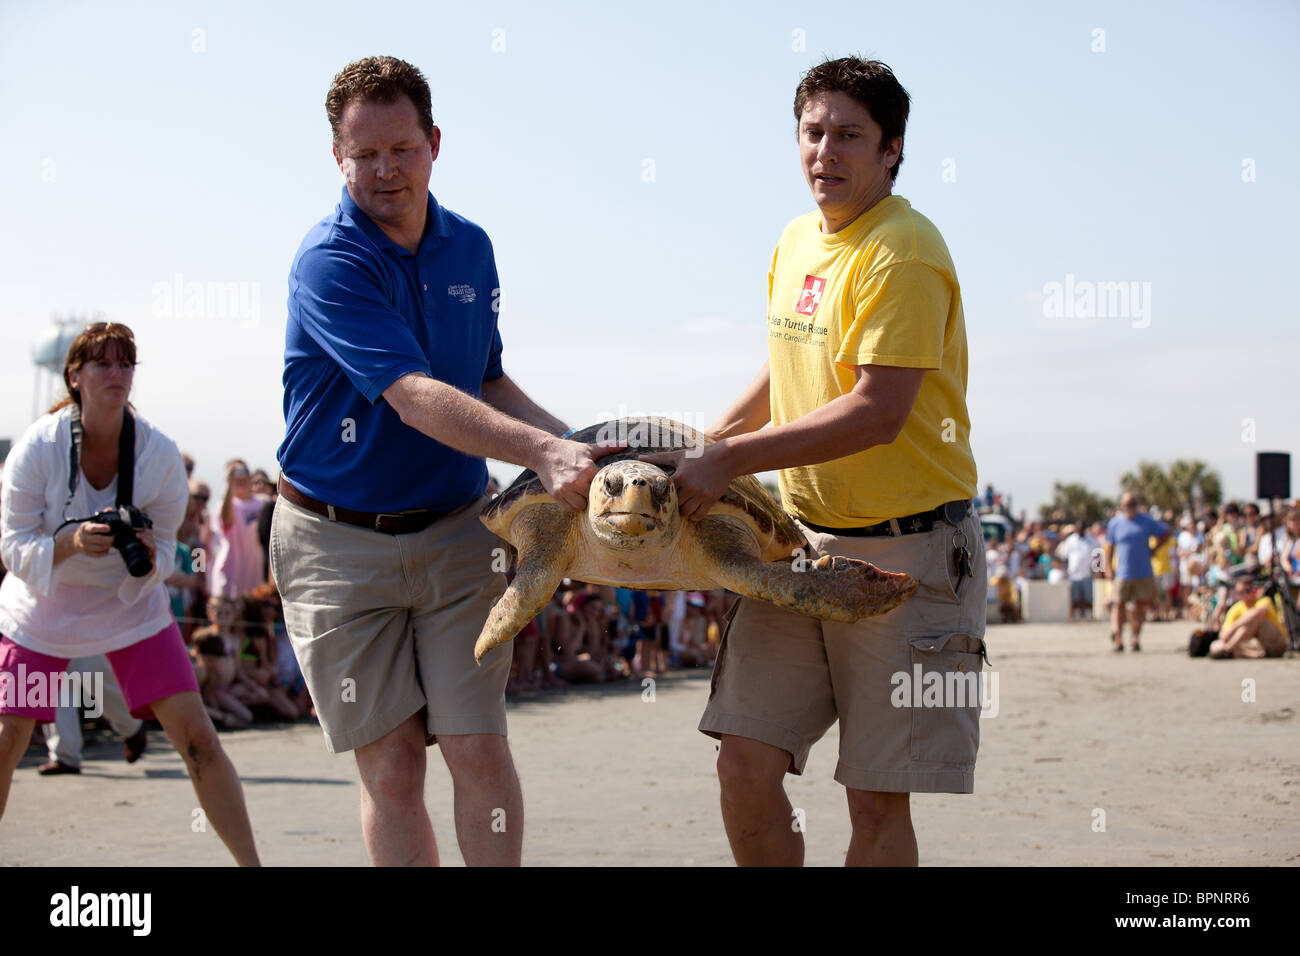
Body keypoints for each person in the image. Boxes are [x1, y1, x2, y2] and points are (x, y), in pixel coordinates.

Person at [645, 57, 985, 866]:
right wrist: (700, 449)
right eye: (812, 132)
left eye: (849, 137)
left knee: (874, 797)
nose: (824, 152)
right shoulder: (797, 239)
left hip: (911, 553)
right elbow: (785, 369)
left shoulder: (904, 249)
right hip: (797, 550)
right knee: (744, 762)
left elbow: (877, 410)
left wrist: (728, 462)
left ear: (892, 149)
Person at [271, 56, 609, 867]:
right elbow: (415, 393)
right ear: (337, 159)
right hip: (334, 543)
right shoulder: (329, 261)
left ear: (434, 143)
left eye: (402, 148)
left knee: (478, 749)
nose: (385, 170)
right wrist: (540, 451)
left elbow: (484, 375)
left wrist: (581, 446)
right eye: (364, 155)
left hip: (461, 532)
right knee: (391, 767)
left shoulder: (473, 248)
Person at [0, 322, 259, 865]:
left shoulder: (157, 454)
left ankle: (250, 865)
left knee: (198, 740)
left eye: (126, 363)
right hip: (41, 608)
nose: (116, 373)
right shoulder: (38, 448)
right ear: (75, 376)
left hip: (130, 608)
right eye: (103, 363)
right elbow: (13, 548)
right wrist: (68, 542)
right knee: (5, 740)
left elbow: (166, 552)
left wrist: (143, 553)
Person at [1103, 493, 1170, 652]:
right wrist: (1106, 568)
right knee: (1118, 605)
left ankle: (1135, 637)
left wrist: (1154, 549)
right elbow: (1108, 547)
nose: (1130, 507)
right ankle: (1118, 639)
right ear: (1122, 506)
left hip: (1144, 572)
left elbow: (1166, 533)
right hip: (1123, 572)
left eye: (1133, 504)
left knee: (1141, 606)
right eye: (1127, 504)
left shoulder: (1146, 521)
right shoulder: (1115, 523)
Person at [1210, 572, 1287, 658]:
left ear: (1253, 591)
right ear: (1236, 593)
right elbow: (1224, 635)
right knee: (1216, 645)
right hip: (1258, 645)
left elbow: (1256, 613)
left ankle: (1228, 649)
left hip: (1277, 643)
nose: (1245, 595)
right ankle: (1253, 654)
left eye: (1247, 591)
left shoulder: (1264, 601)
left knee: (1253, 619)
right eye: (1240, 592)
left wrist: (1234, 627)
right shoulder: (1235, 608)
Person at [1056, 523, 1099, 621]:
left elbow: (1098, 555)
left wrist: (1098, 571)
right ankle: (1074, 616)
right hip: (1073, 573)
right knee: (1074, 596)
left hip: (1087, 572)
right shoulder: (1070, 541)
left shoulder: (1091, 540)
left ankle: (1088, 615)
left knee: (1088, 596)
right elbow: (1064, 556)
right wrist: (1064, 570)